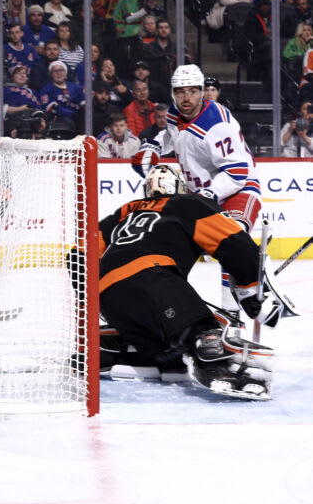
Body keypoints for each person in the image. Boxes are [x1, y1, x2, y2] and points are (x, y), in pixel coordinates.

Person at [96, 164, 273, 399]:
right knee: (204, 329)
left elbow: (79, 253)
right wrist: (251, 287)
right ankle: (216, 368)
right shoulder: (188, 204)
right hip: (153, 276)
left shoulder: (123, 211)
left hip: (104, 290)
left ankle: (124, 346)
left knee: (170, 351)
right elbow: (233, 241)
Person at [132, 64, 260, 315]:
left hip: (238, 189)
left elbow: (236, 173)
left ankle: (231, 313)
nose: (186, 97)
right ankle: (168, 311)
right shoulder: (174, 113)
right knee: (169, 244)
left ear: (202, 91)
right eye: (180, 92)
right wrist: (154, 147)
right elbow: (171, 134)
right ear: (173, 93)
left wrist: (210, 195)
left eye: (192, 91)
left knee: (230, 239)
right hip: (200, 194)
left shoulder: (217, 125)